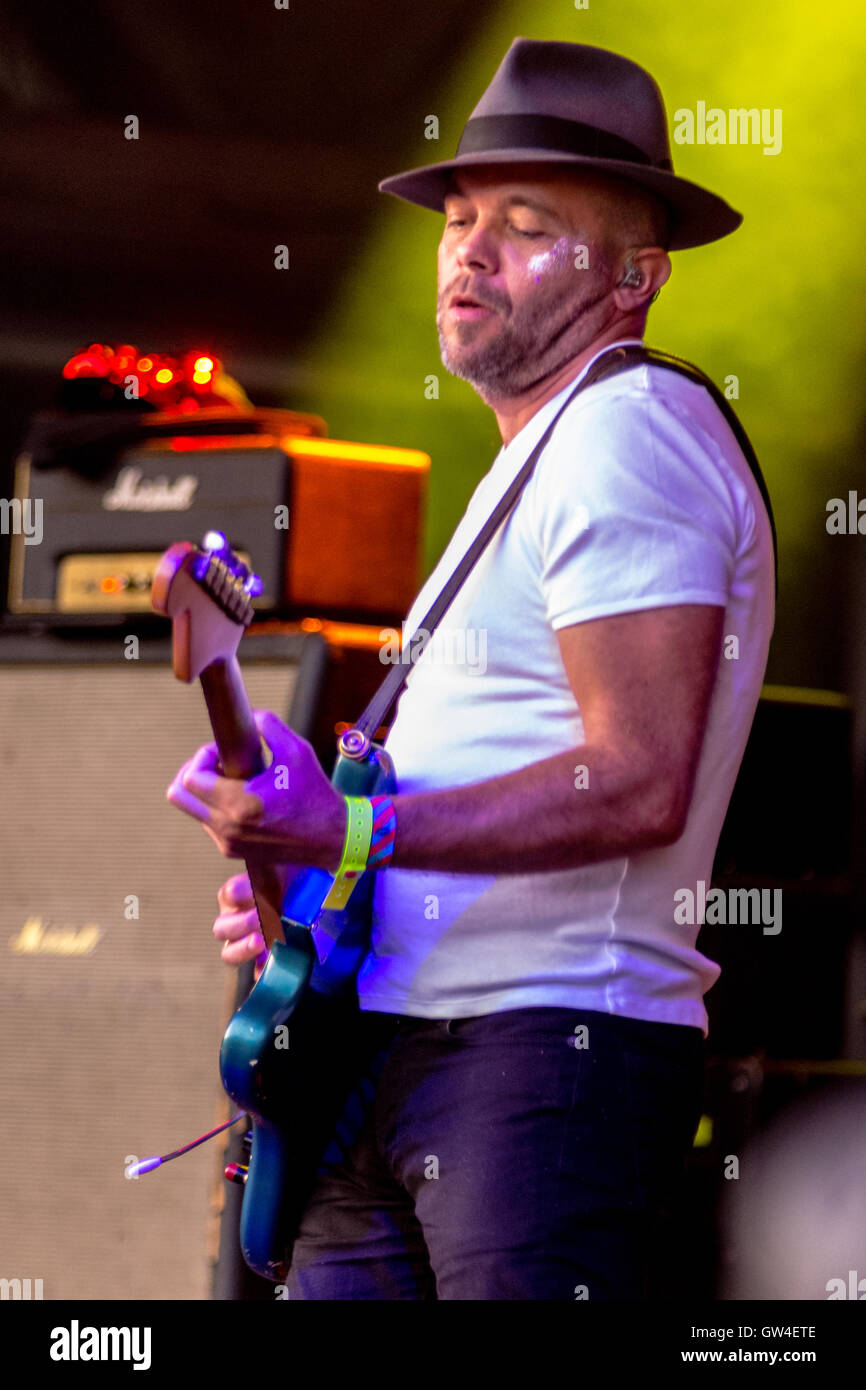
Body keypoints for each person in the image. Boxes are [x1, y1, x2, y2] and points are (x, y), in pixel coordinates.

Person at [167, 39, 775, 1299]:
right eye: (457, 218)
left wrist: (352, 825)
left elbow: (635, 778)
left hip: (544, 1056)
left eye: (525, 222)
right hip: (409, 1047)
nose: (468, 249)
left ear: (634, 276)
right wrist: (308, 864)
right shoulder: (539, 452)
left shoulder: (630, 430)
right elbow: (448, 790)